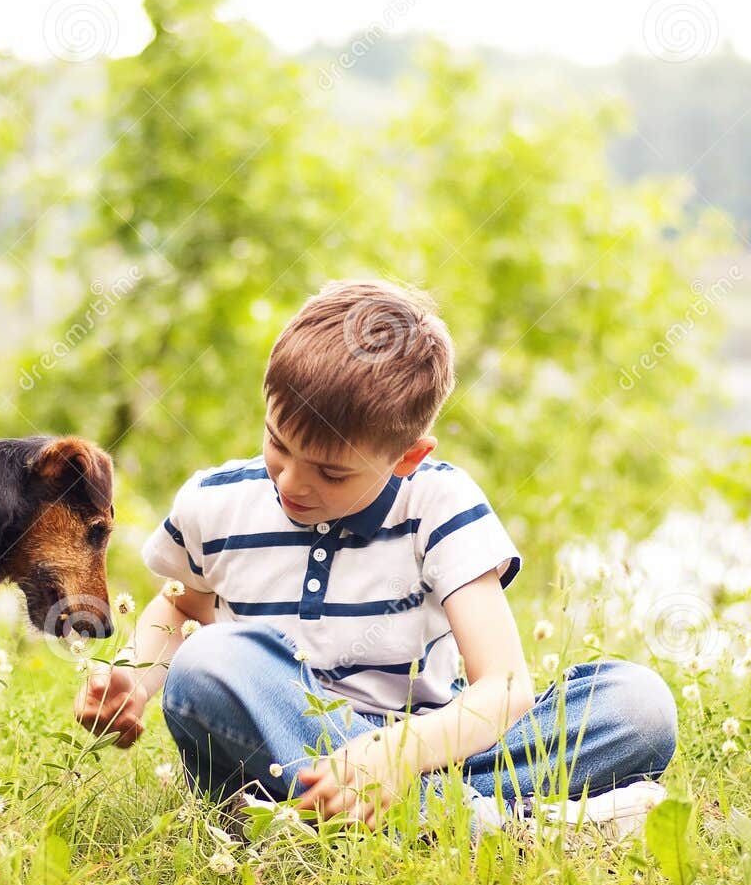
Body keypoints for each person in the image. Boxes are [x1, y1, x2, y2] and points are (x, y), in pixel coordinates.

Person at [75, 279, 677, 836]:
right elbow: (180, 610)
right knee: (207, 664)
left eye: (332, 473)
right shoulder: (217, 501)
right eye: (277, 445)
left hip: (425, 746)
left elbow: (507, 686)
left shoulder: (438, 503)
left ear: (408, 457)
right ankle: (500, 825)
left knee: (637, 706)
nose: (291, 483)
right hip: (282, 738)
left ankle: (387, 816)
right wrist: (138, 676)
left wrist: (395, 754)